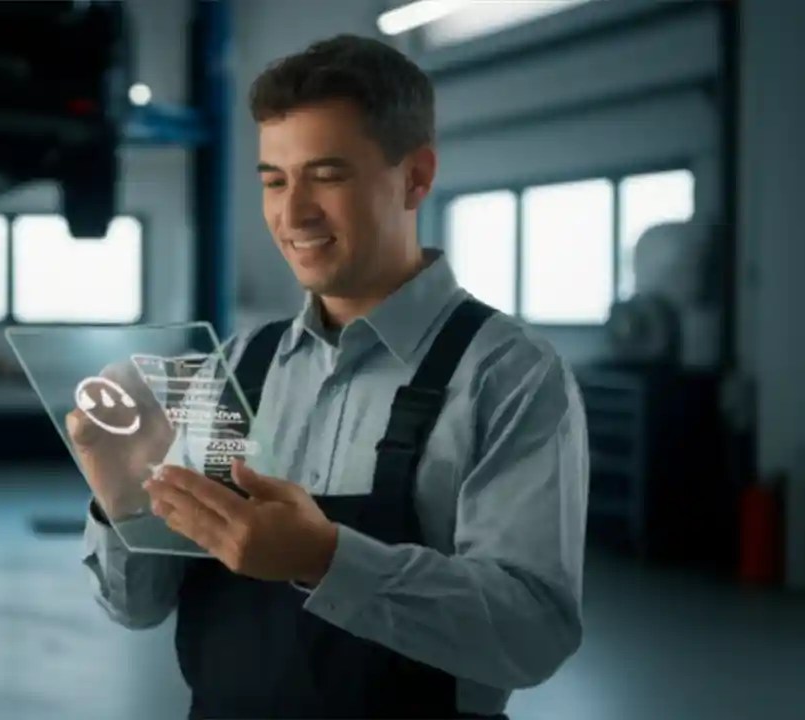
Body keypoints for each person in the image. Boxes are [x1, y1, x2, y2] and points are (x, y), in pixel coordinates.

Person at [70, 34, 589, 720]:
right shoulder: (233, 369)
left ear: (416, 177)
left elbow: (531, 633)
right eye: (274, 181)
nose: (293, 214)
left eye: (328, 175)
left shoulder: (507, 375)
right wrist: (122, 501)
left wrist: (327, 559)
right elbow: (138, 607)